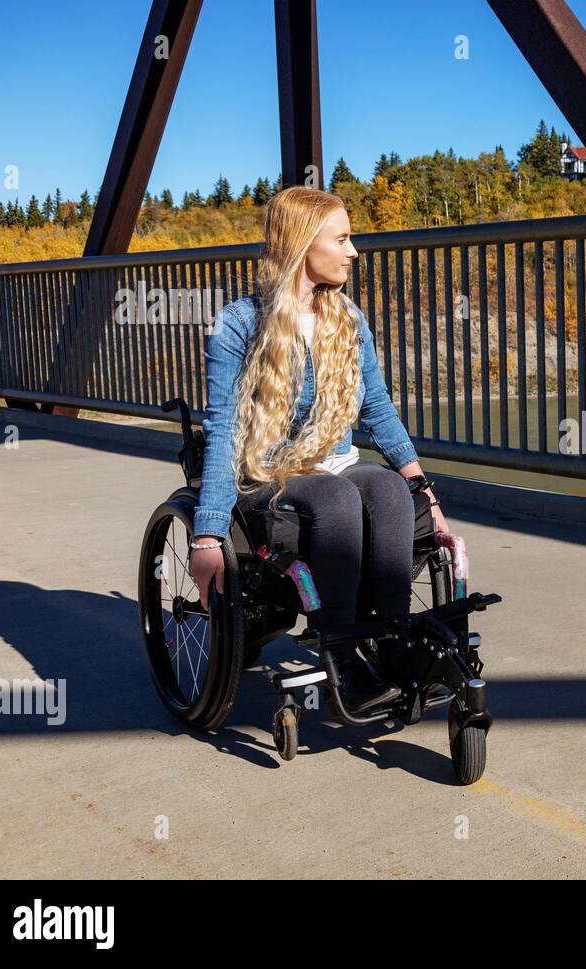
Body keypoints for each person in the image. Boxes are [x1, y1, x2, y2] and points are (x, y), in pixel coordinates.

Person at [186, 185, 446, 708]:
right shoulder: (239, 325)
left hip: (338, 463)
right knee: (335, 499)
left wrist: (424, 490)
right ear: (305, 244)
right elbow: (223, 431)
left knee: (390, 492)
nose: (354, 251)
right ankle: (342, 661)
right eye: (343, 239)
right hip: (268, 475)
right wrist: (206, 536)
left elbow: (376, 409)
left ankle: (394, 647)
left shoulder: (346, 319)